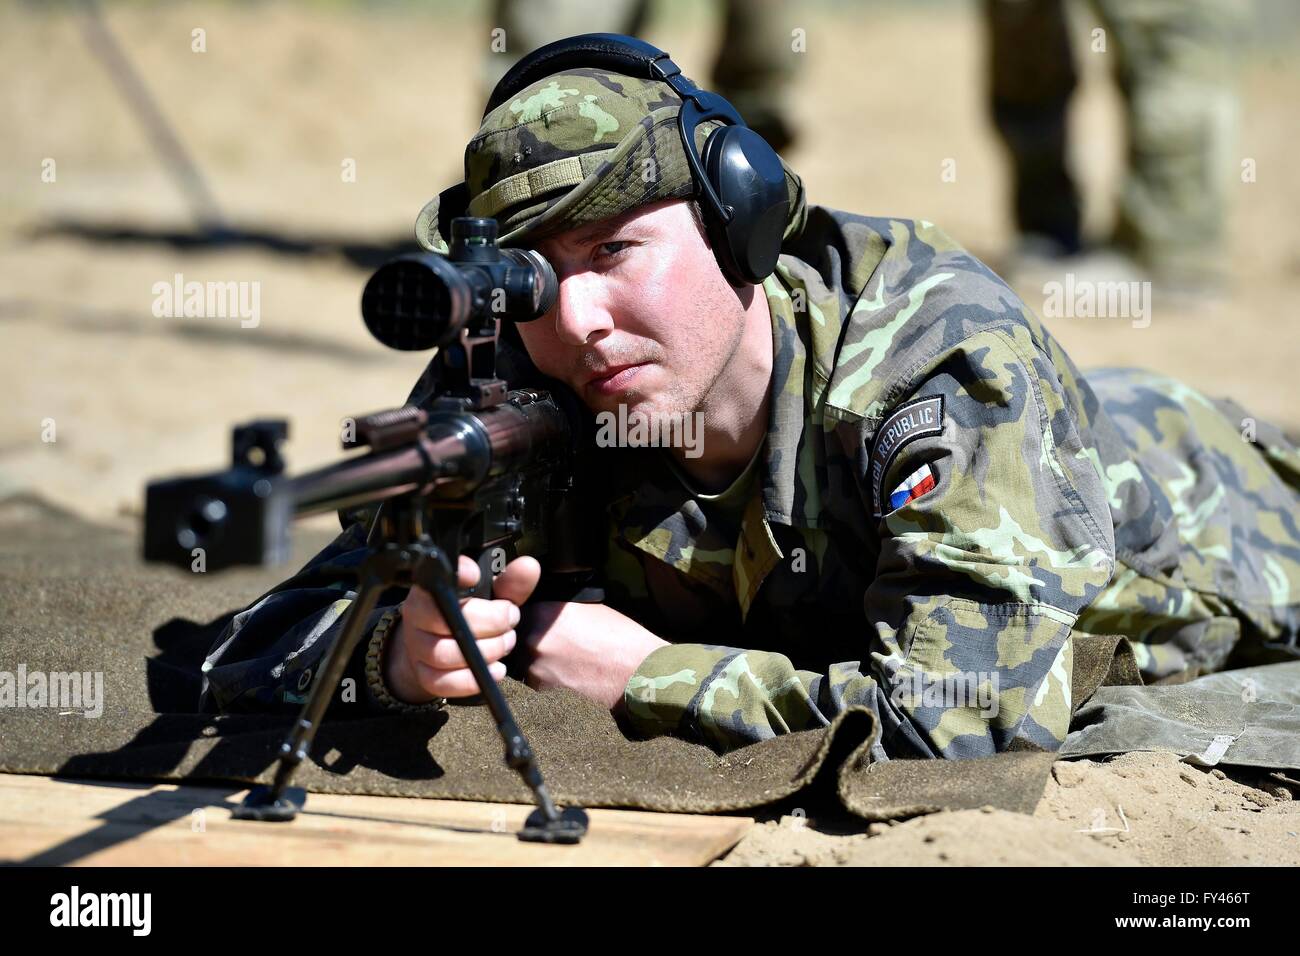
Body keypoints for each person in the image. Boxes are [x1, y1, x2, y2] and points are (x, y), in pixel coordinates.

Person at [199, 35, 1300, 761]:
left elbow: (966, 721)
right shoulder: (521, 366)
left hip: (1221, 504)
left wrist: (642, 672)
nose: (578, 316)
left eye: (616, 250)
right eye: (538, 272)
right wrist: (392, 656)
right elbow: (256, 638)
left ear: (743, 224)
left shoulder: (941, 358)